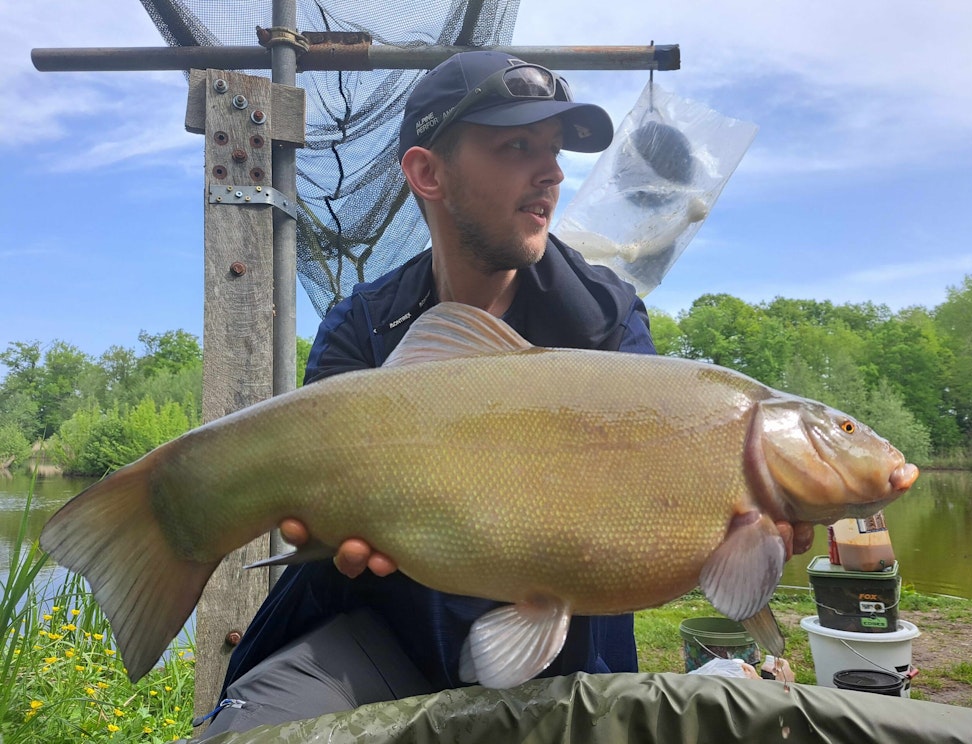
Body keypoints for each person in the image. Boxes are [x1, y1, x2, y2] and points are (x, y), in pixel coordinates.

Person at [197, 51, 813, 738]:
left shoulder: (608, 320)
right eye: (518, 146)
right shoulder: (364, 325)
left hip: (567, 664)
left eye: (553, 151)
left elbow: (680, 506)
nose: (551, 172)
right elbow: (319, 525)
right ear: (428, 173)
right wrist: (318, 522)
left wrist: (745, 534)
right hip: (379, 640)